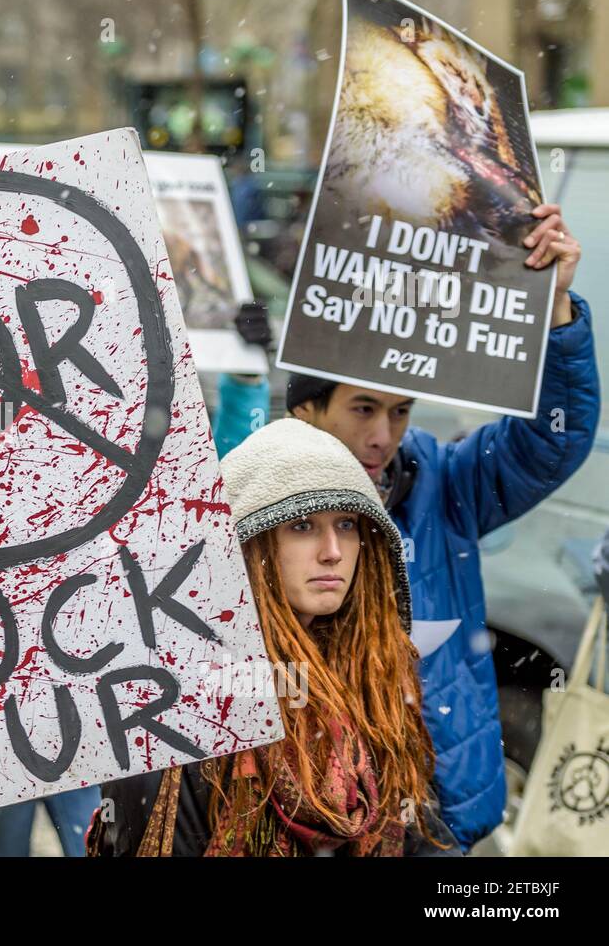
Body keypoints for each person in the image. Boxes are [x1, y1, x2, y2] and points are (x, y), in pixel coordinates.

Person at [212, 203, 599, 849]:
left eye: (399, 411)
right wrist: (244, 375)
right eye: (363, 408)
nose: (383, 435)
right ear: (308, 410)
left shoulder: (445, 479)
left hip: (440, 812)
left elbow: (552, 442)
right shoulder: (271, 503)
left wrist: (556, 312)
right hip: (323, 816)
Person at [90, 419, 456, 856]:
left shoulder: (374, 681)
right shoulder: (183, 698)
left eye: (346, 524)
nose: (333, 550)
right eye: (301, 526)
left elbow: (423, 836)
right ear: (250, 545)